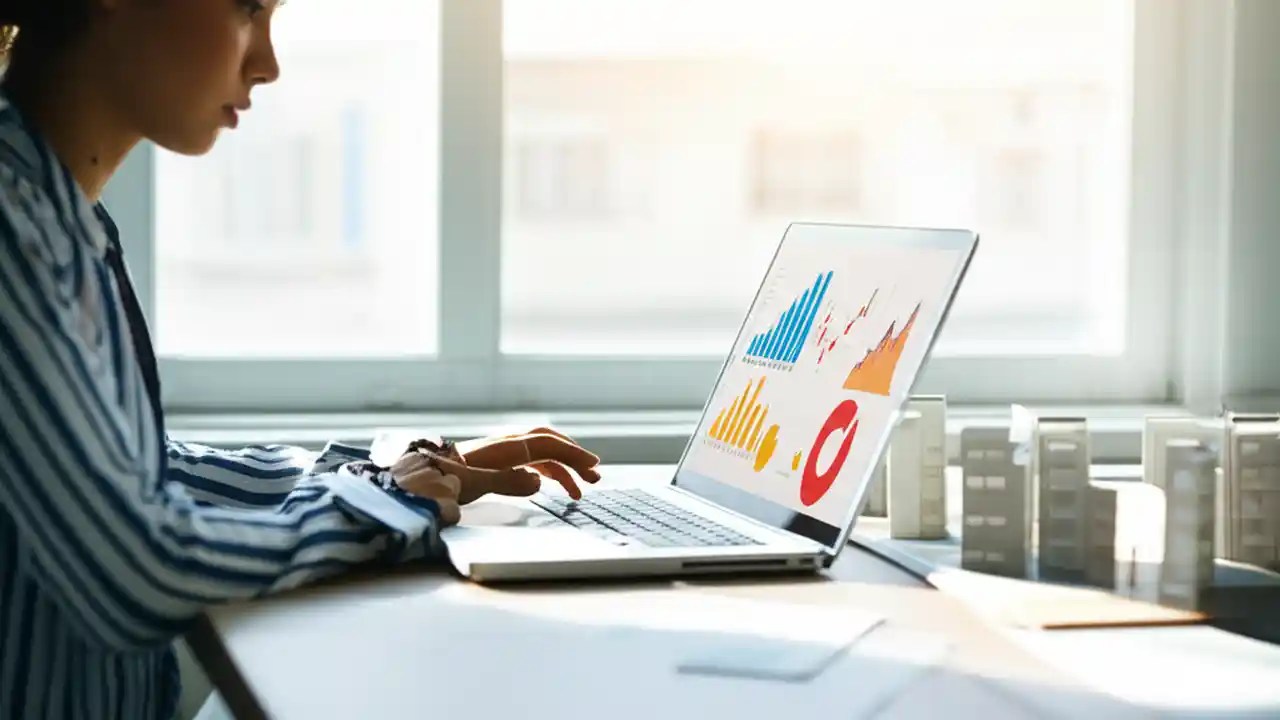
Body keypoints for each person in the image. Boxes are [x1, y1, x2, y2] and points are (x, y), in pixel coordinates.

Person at [0, 2, 603, 718]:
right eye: (248, 8)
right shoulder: (14, 231)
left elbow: (134, 474)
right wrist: (384, 510)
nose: (268, 64)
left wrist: (394, 473)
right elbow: (132, 571)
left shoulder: (60, 216)